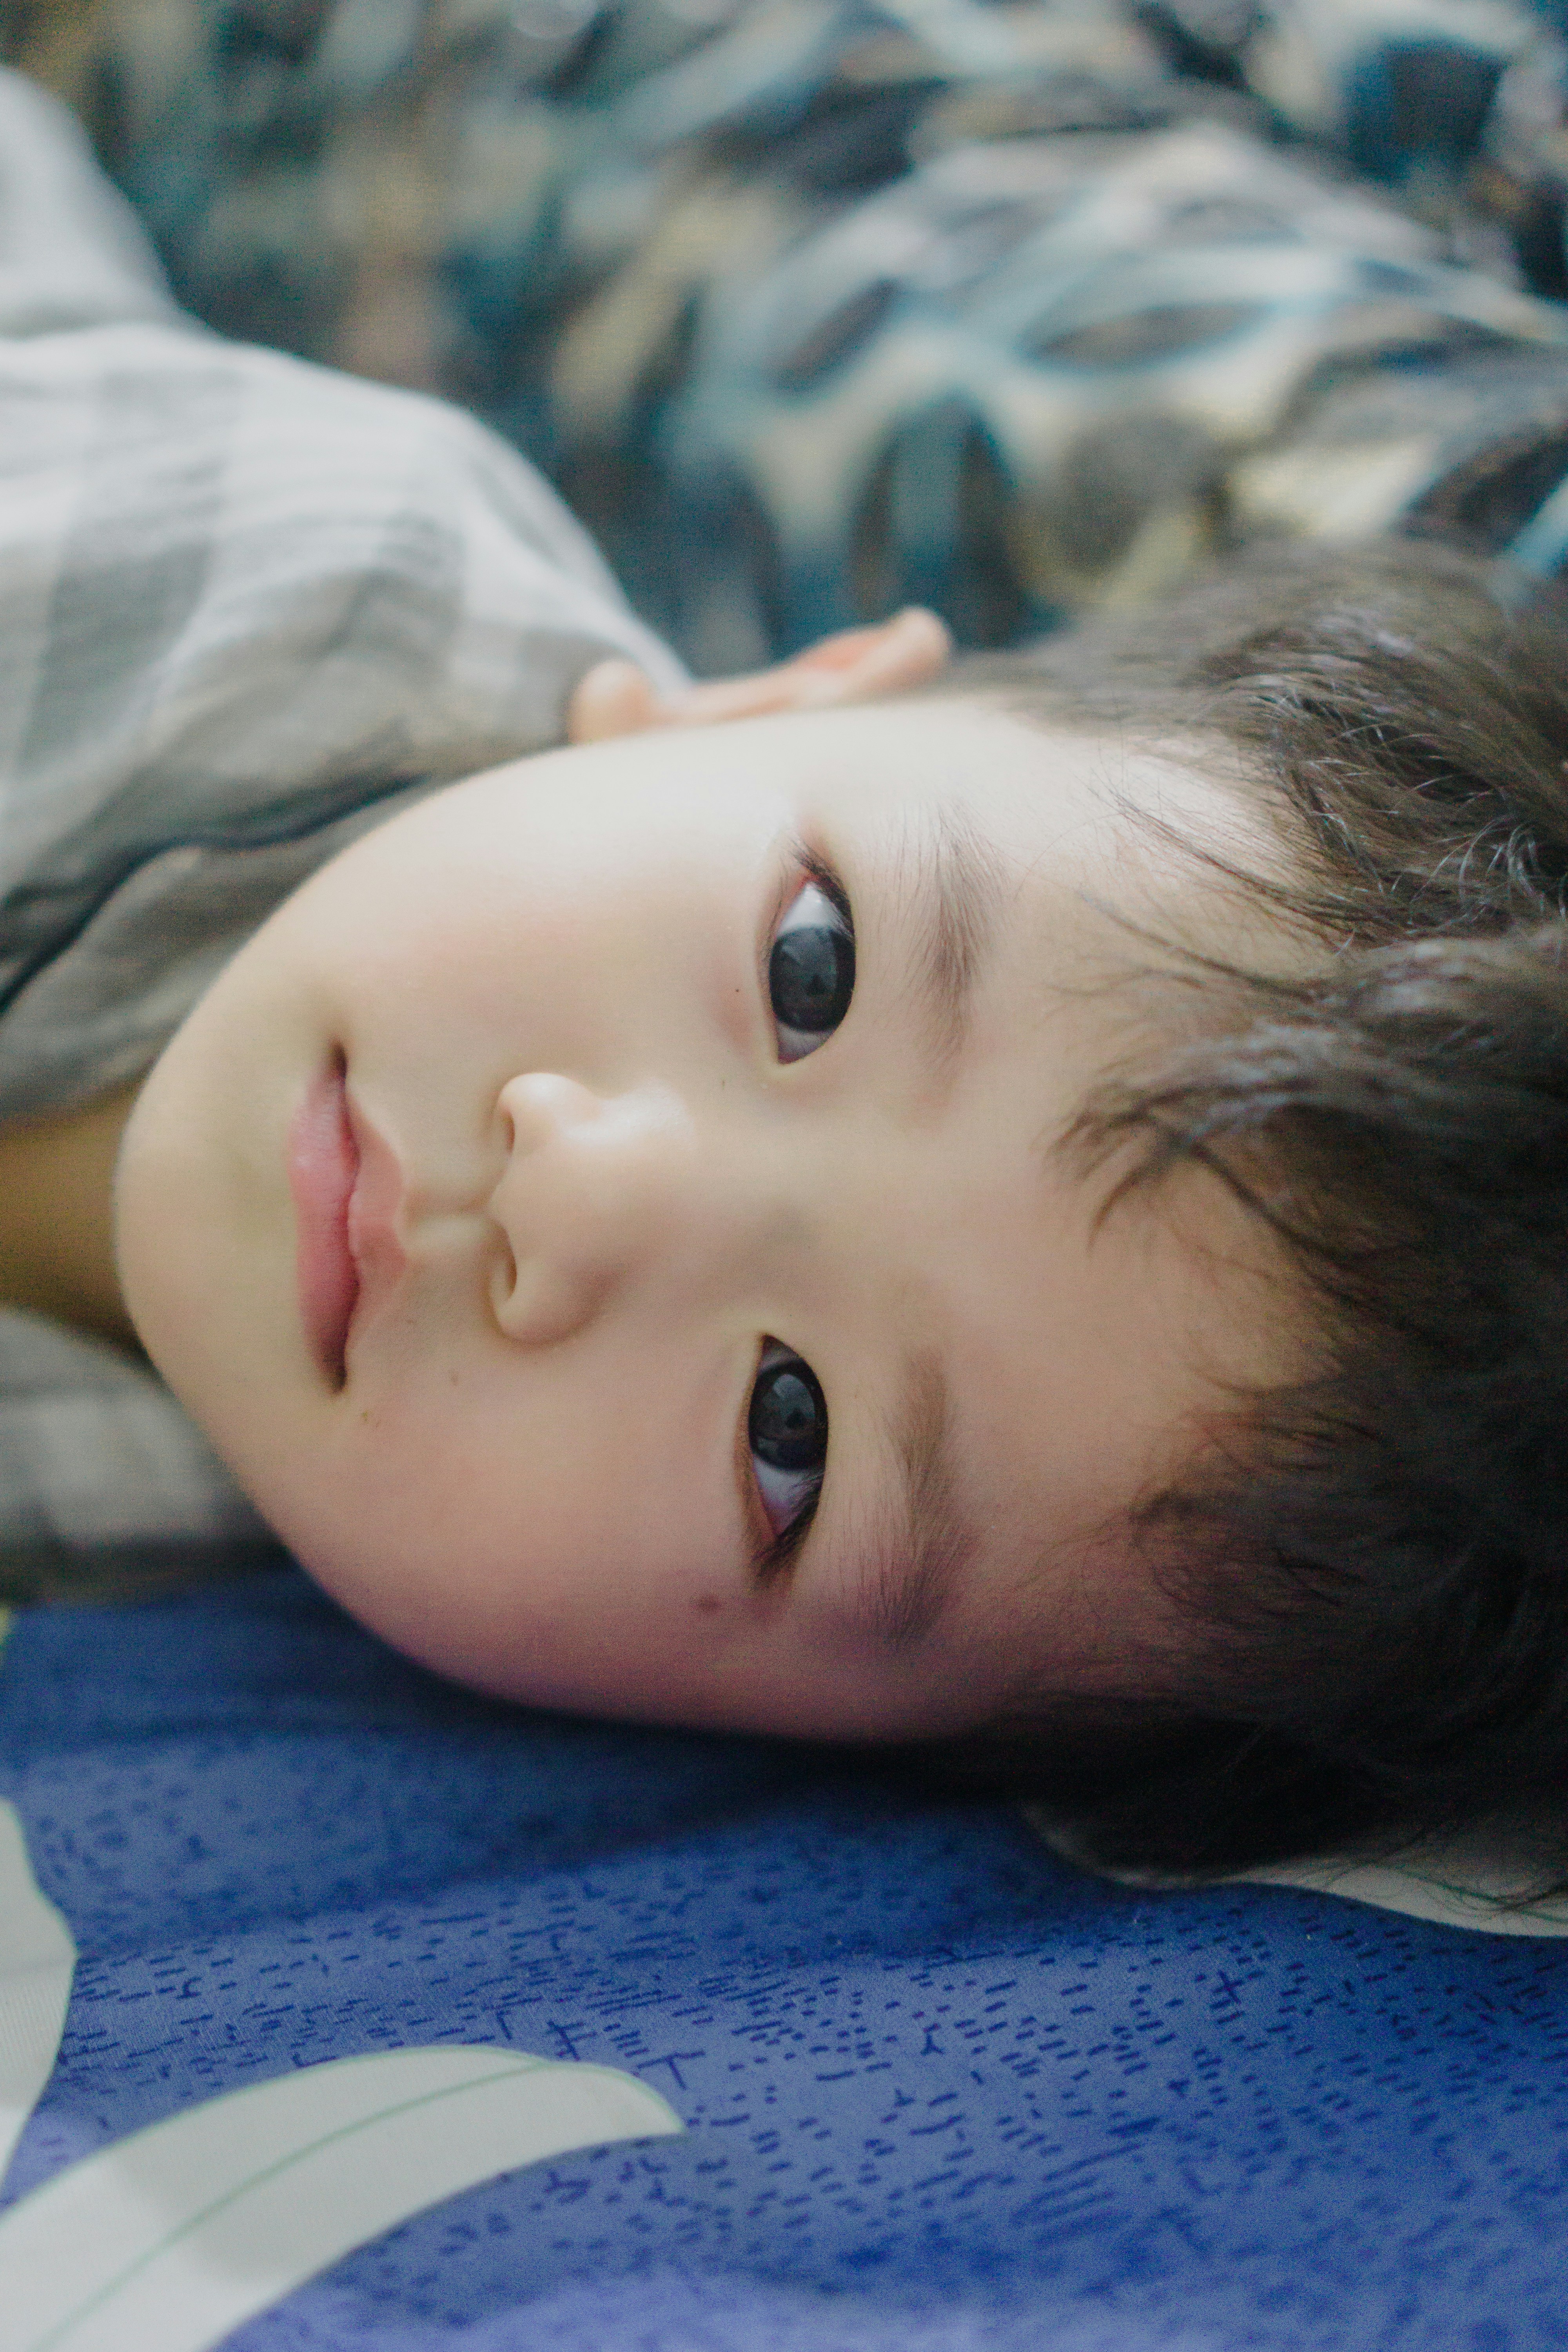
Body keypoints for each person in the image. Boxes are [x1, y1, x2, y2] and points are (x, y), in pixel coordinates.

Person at [2, 65, 1566, 1888]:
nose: (575, 1191)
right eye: (809, 973)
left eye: (789, 1435)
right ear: (783, 694)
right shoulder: (276, 595)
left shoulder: (168, 1575)